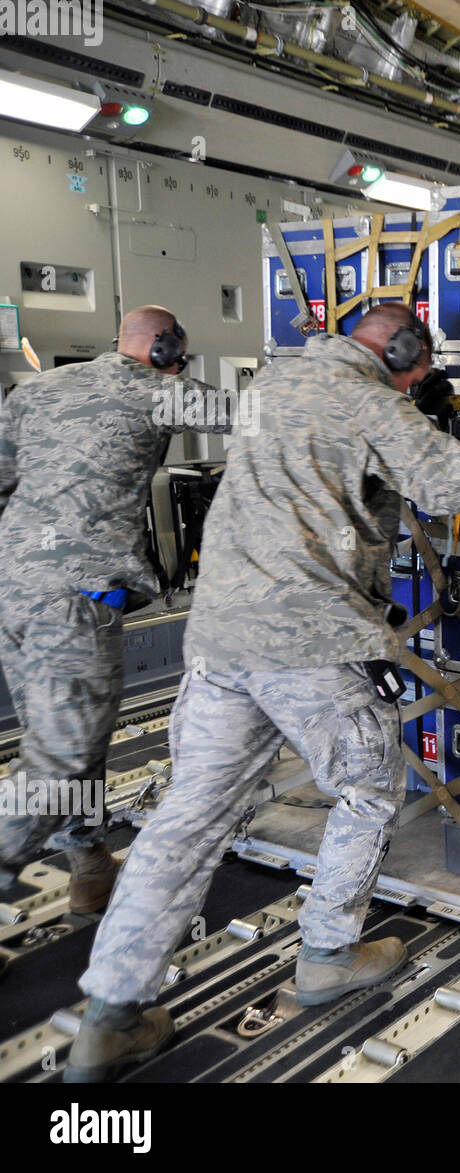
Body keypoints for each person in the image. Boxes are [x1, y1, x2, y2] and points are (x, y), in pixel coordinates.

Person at [67, 304, 460, 1082]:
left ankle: (109, 1012)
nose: (423, 378)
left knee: (190, 818)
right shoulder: (367, 399)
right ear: (404, 350)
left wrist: (404, 410)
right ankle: (327, 952)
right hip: (311, 641)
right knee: (367, 785)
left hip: (220, 638)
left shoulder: (273, 382)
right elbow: (452, 481)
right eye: (419, 365)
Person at [0, 307, 230, 916]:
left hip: (13, 590)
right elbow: (258, 416)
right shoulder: (158, 391)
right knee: (63, 753)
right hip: (73, 603)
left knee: (70, 739)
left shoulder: (37, 389)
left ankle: (89, 864)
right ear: (164, 348)